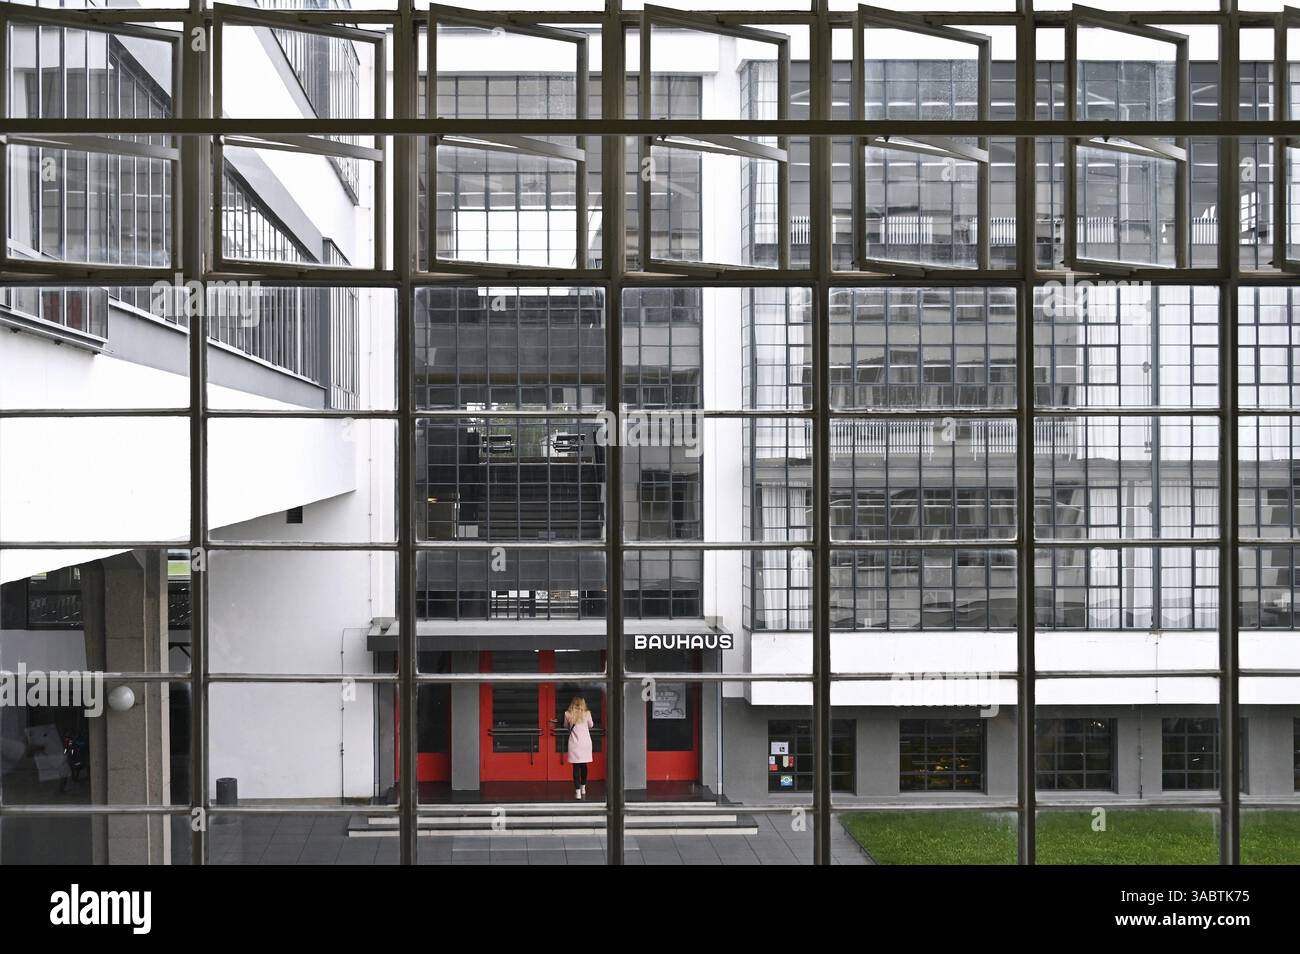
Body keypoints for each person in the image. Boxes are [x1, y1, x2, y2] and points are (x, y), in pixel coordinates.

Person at [564, 696, 594, 799]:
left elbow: (565, 726)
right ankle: (583, 787)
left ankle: (577, 792)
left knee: (576, 767)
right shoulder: (587, 713)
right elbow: (591, 725)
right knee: (584, 765)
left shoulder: (567, 714)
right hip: (585, 743)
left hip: (574, 743)